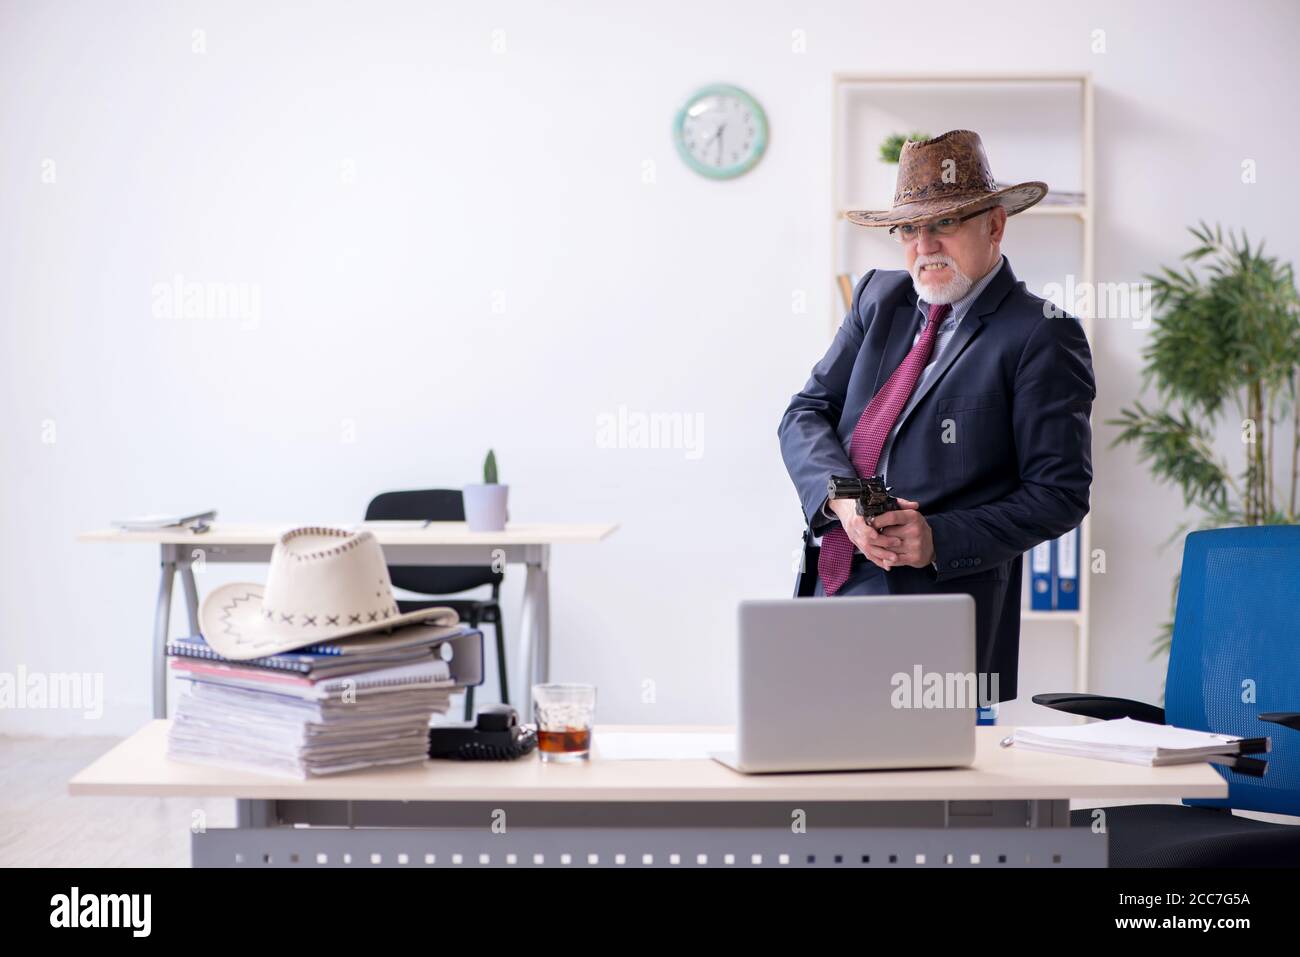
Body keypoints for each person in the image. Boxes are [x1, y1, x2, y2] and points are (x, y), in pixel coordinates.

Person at [778, 129, 1095, 702]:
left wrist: (937, 538)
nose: (923, 245)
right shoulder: (878, 298)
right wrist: (842, 498)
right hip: (831, 586)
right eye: (909, 228)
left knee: (923, 788)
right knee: (815, 773)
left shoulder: (1041, 333)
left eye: (943, 224)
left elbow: (1060, 493)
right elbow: (807, 413)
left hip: (943, 615)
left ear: (994, 225)